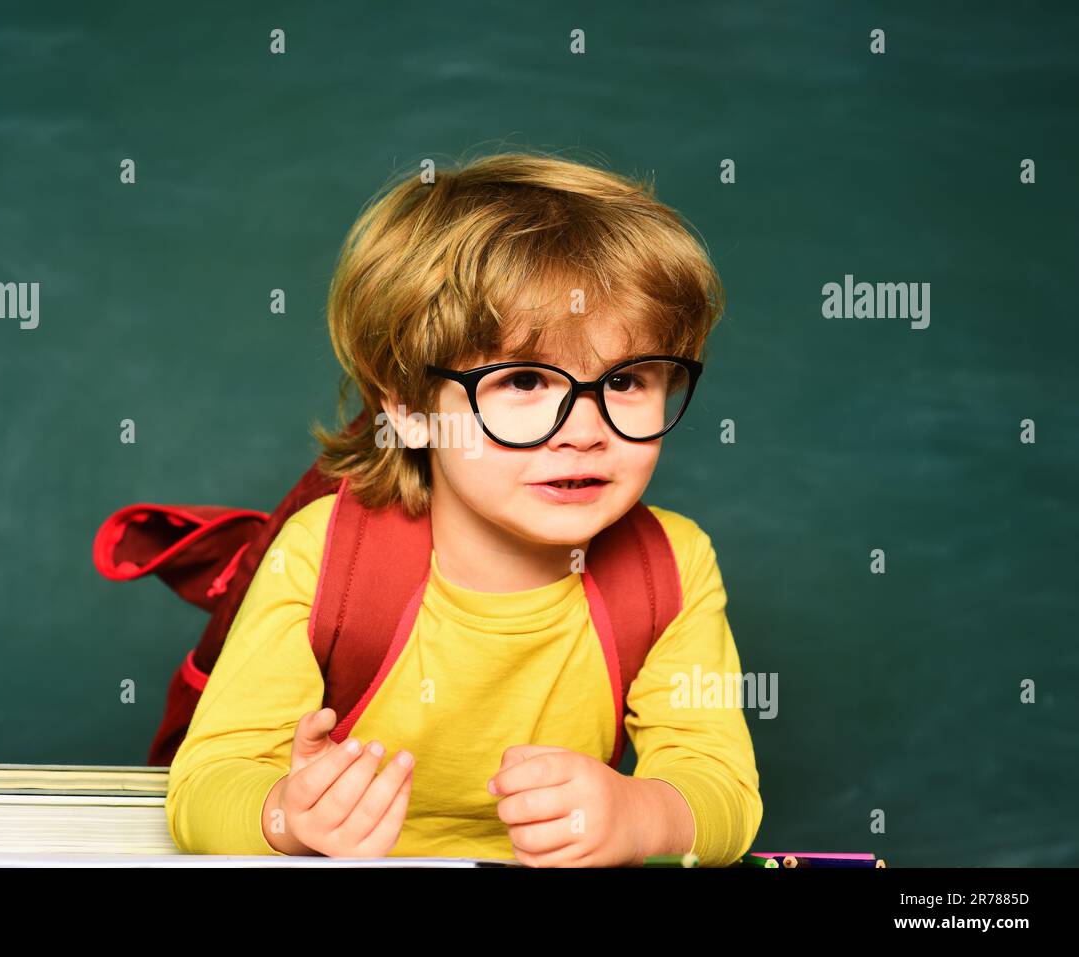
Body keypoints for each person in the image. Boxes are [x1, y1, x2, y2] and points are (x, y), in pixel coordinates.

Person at [165, 151, 761, 866]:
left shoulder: (672, 567)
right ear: (410, 408)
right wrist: (287, 816)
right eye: (525, 379)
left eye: (627, 379)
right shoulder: (323, 556)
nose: (583, 429)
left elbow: (720, 785)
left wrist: (642, 813)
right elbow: (202, 786)